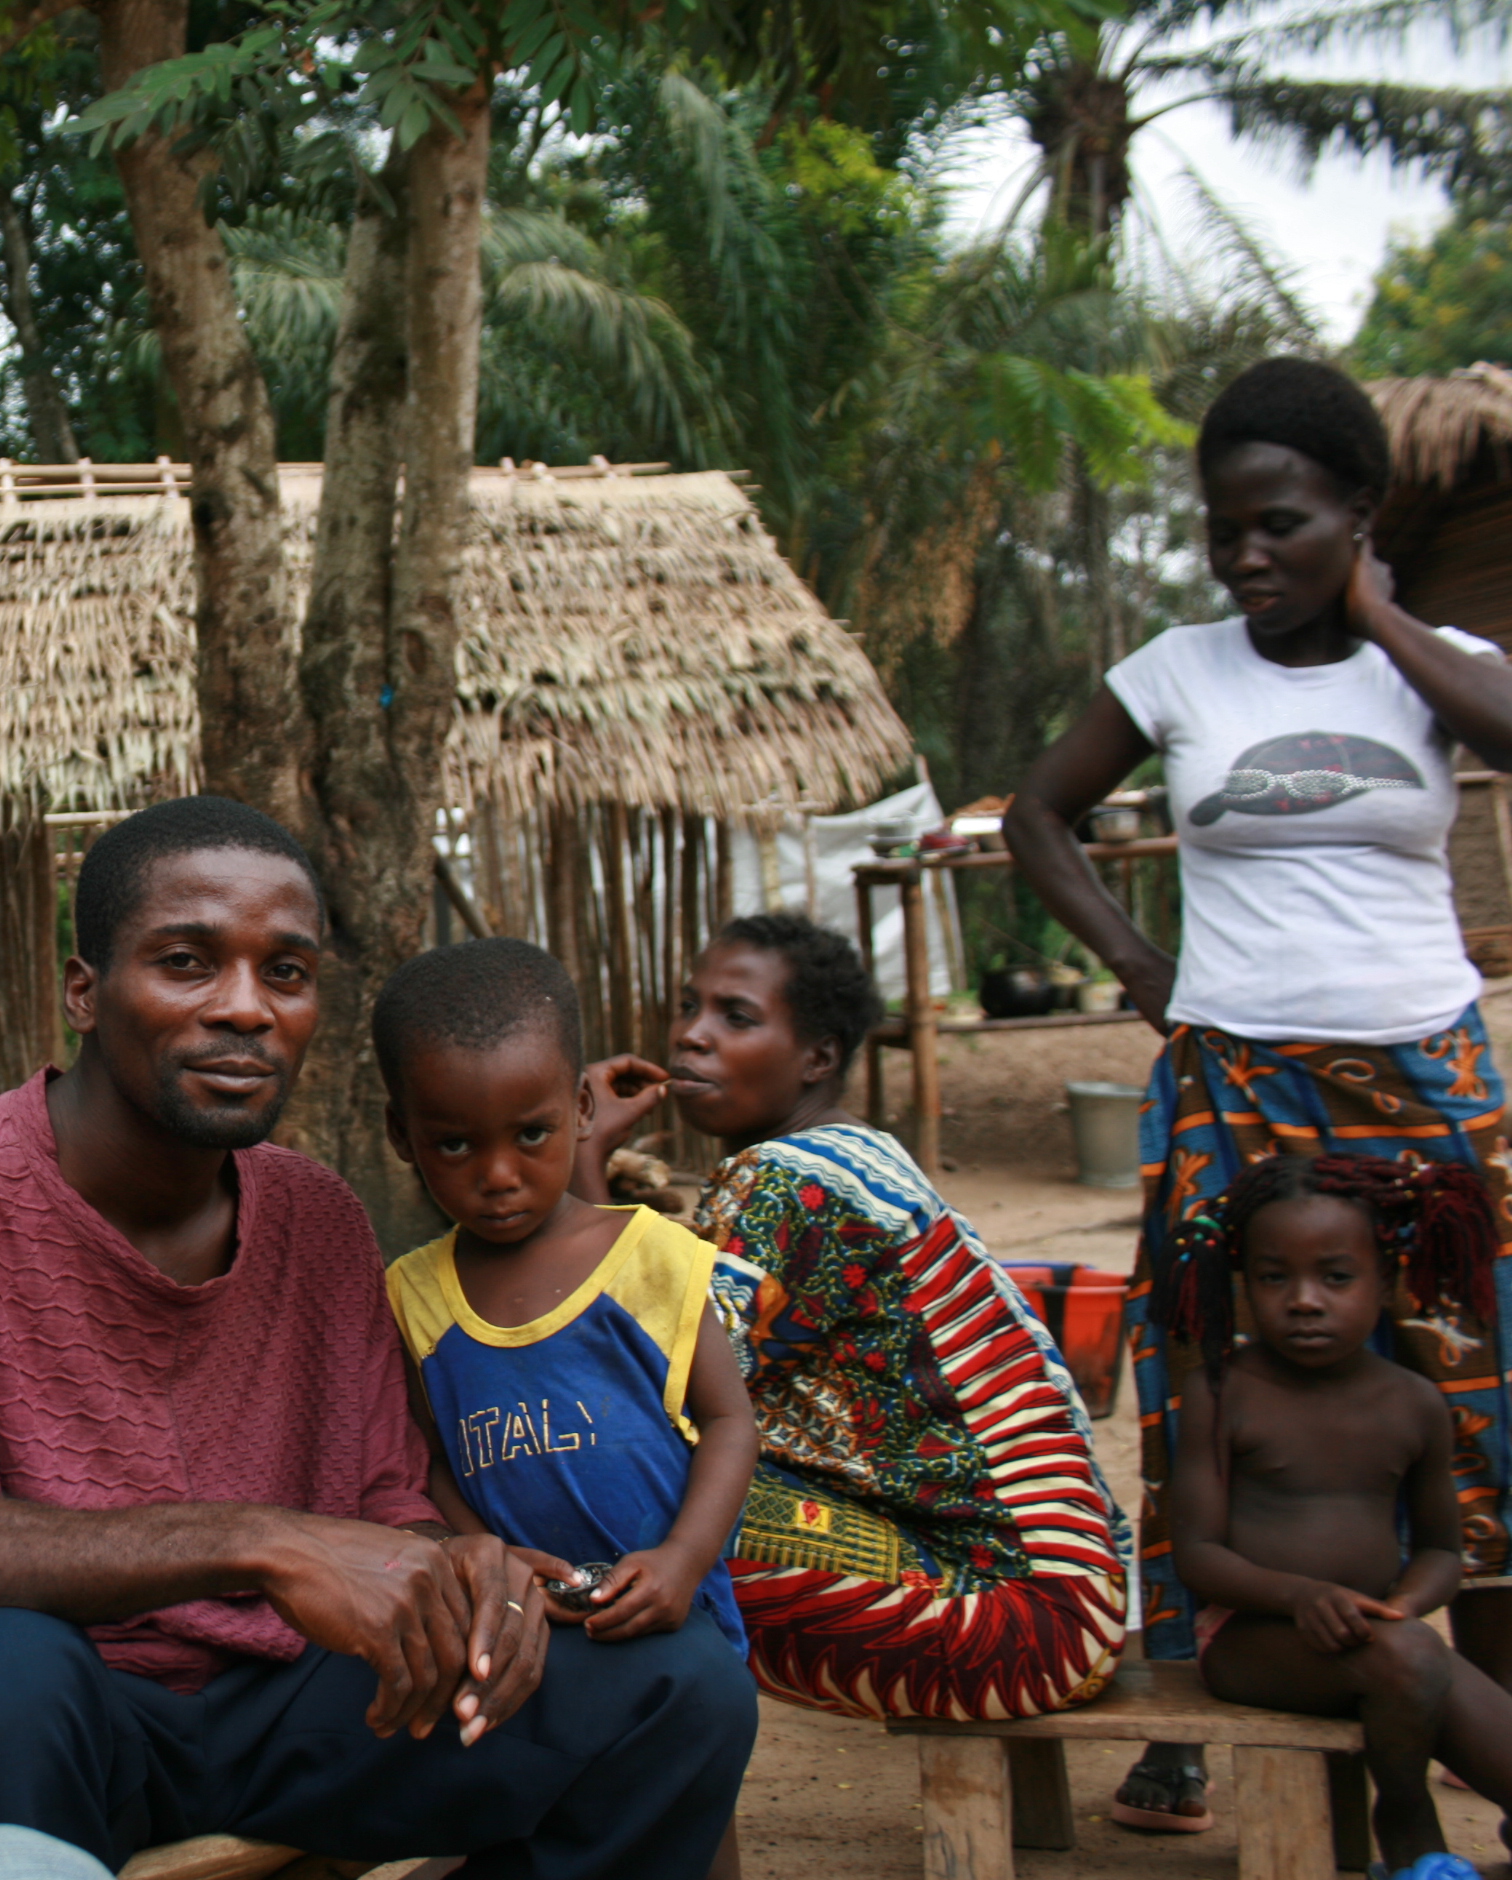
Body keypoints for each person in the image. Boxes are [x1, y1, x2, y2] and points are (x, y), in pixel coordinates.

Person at [0, 797, 756, 1880]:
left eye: (284, 972)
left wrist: (464, 1569)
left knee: (674, 1686)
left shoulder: (314, 1214)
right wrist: (259, 1539)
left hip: (288, 1700)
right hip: (51, 1710)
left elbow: (384, 1505)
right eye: (187, 961)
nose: (245, 1008)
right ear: (84, 989)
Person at [1005, 355, 1512, 1832]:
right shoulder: (1177, 669)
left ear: (1358, 512)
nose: (1244, 557)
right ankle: (1187, 1724)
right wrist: (1137, 963)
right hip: (1235, 1083)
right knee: (1203, 1387)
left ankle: (1473, 1697)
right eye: (1224, 529)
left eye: (1282, 523)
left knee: (1467, 1386)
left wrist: (1378, 618)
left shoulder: (1434, 658)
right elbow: (1041, 812)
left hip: (1426, 1083)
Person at [581, 914, 1127, 1724]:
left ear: (818, 1057)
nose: (690, 1036)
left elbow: (641, 1376)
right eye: (689, 1006)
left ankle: (585, 1804)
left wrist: (581, 1153)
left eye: (735, 1017)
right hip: (1064, 1593)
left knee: (603, 1493)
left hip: (1014, 1623)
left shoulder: (790, 1185)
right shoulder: (850, 1156)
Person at [376, 938, 762, 1878]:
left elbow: (730, 1423)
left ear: (583, 1109)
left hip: (667, 1610)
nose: (498, 1174)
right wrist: (488, 1559)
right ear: (403, 1135)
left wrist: (680, 1560)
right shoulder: (412, 1298)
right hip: (522, 1627)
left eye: (533, 1134)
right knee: (543, 1811)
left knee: (690, 1806)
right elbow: (426, 1463)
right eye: (455, 1144)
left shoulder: (653, 1257)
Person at [1161, 1155, 1511, 1880]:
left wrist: (1404, 1606)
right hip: (1251, 1638)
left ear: (1385, 1282)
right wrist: (1303, 1595)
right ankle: (1408, 1823)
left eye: (1336, 1277)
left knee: (1416, 1660)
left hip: (1383, 1637)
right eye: (1273, 1277)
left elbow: (1445, 1551)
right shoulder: (1223, 1391)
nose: (1305, 1300)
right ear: (1243, 1284)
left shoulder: (1413, 1401)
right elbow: (1197, 1553)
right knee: (1412, 1658)